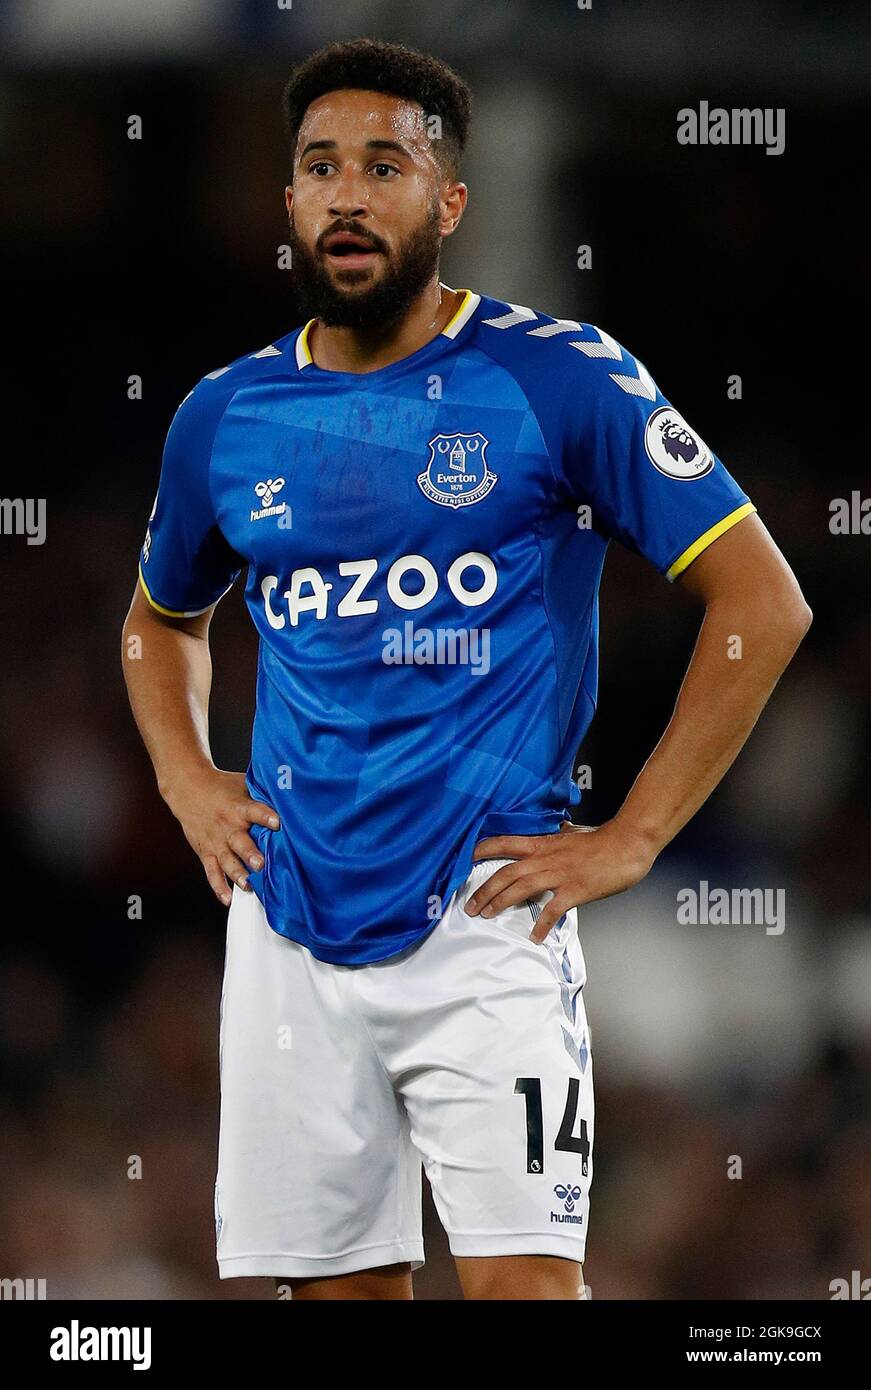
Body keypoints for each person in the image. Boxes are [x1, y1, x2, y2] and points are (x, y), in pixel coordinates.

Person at [121, 38, 812, 1301]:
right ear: (288, 203)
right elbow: (158, 622)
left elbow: (760, 603)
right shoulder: (222, 418)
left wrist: (635, 835)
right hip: (286, 920)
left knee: (525, 1293)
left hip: (487, 913)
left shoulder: (558, 379)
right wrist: (186, 774)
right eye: (319, 167)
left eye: (384, 165)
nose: (345, 194)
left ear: (447, 205)